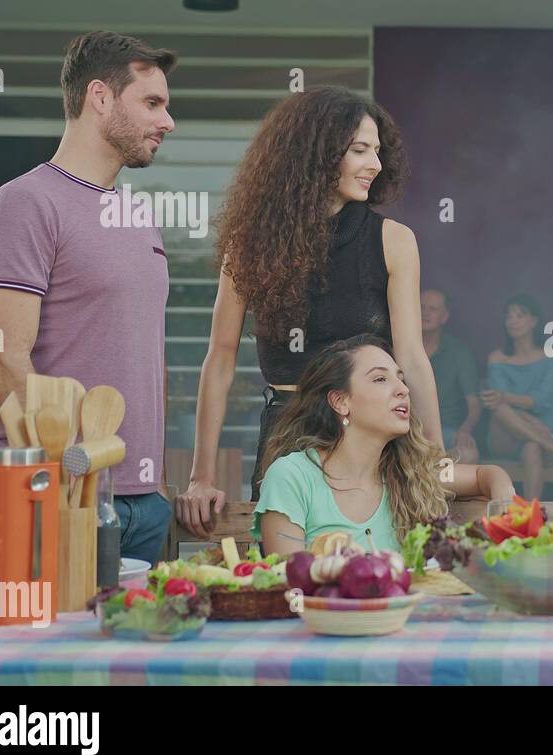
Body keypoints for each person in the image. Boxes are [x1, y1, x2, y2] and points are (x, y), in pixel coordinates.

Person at [175, 86, 443, 537]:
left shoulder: (394, 240)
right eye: (359, 150)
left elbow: (412, 357)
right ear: (316, 152)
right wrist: (201, 476)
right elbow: (220, 359)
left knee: (380, 566)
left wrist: (435, 458)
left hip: (372, 436)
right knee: (287, 583)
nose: (374, 164)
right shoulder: (249, 246)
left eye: (378, 151)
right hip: (286, 431)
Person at [0, 30, 177, 562]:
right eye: (151, 103)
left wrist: (154, 479)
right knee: (45, 647)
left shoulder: (139, 218)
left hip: (141, 500)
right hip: (52, 488)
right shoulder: (25, 204)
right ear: (99, 97)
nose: (167, 122)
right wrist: (68, 470)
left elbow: (144, 353)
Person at [253, 334, 514, 557]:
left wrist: (505, 511)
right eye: (380, 379)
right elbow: (290, 587)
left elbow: (487, 475)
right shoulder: (291, 477)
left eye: (400, 378)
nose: (403, 389)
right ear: (341, 402)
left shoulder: (410, 472)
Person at [483, 293, 553, 500]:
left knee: (532, 447)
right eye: (508, 316)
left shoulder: (551, 355)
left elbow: (542, 400)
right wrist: (532, 421)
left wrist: (506, 397)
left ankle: (530, 511)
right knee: (497, 405)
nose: (512, 321)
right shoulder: (497, 358)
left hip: (546, 431)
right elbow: (498, 402)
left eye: (520, 315)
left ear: (534, 321)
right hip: (506, 436)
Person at [422, 287, 481, 464]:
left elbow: (474, 404)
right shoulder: (399, 347)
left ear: (445, 316)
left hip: (445, 432)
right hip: (405, 432)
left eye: (432, 309)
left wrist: (465, 430)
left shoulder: (458, 351)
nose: (425, 313)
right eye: (421, 307)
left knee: (469, 454)